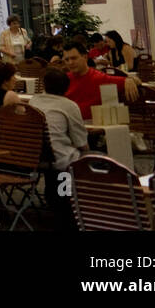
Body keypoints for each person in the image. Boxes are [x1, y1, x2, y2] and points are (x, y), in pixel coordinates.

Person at [30, 67, 88, 231]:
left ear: (44, 85)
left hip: (37, 156)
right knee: (84, 156)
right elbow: (80, 141)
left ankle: (59, 202)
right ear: (66, 87)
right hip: (59, 160)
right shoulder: (69, 106)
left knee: (59, 156)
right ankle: (72, 204)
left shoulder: (34, 101)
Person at [62, 40, 137, 119]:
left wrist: (129, 80)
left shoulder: (98, 78)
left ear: (85, 57)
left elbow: (135, 81)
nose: (70, 63)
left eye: (74, 58)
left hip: (91, 127)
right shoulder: (63, 80)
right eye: (67, 60)